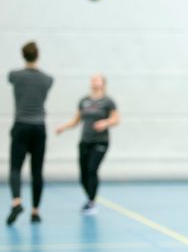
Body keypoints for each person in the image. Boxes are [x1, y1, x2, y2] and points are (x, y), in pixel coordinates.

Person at [55, 74, 120, 215]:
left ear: (103, 83)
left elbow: (116, 119)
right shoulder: (84, 101)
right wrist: (63, 127)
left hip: (100, 141)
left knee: (92, 169)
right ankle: (89, 198)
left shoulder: (108, 102)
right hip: (85, 141)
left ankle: (92, 202)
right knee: (83, 174)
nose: (94, 82)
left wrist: (105, 122)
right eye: (92, 80)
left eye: (97, 80)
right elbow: (76, 120)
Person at [7, 41, 54, 225]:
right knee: (37, 171)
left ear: (23, 55)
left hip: (21, 125)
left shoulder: (14, 75)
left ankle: (16, 201)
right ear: (38, 55)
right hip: (38, 127)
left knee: (16, 167)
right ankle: (35, 211)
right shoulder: (47, 79)